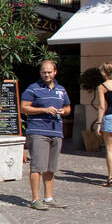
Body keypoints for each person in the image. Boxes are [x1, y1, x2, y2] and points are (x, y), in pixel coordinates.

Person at [20, 59, 72, 210]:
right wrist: (43, 110)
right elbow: (24, 108)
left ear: (55, 72)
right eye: (44, 72)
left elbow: (68, 107)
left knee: (51, 167)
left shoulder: (61, 89)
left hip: (56, 131)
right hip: (38, 131)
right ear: (40, 73)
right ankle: (35, 199)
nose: (46, 75)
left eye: (49, 72)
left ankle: (48, 198)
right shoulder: (33, 88)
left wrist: (64, 111)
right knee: (37, 166)